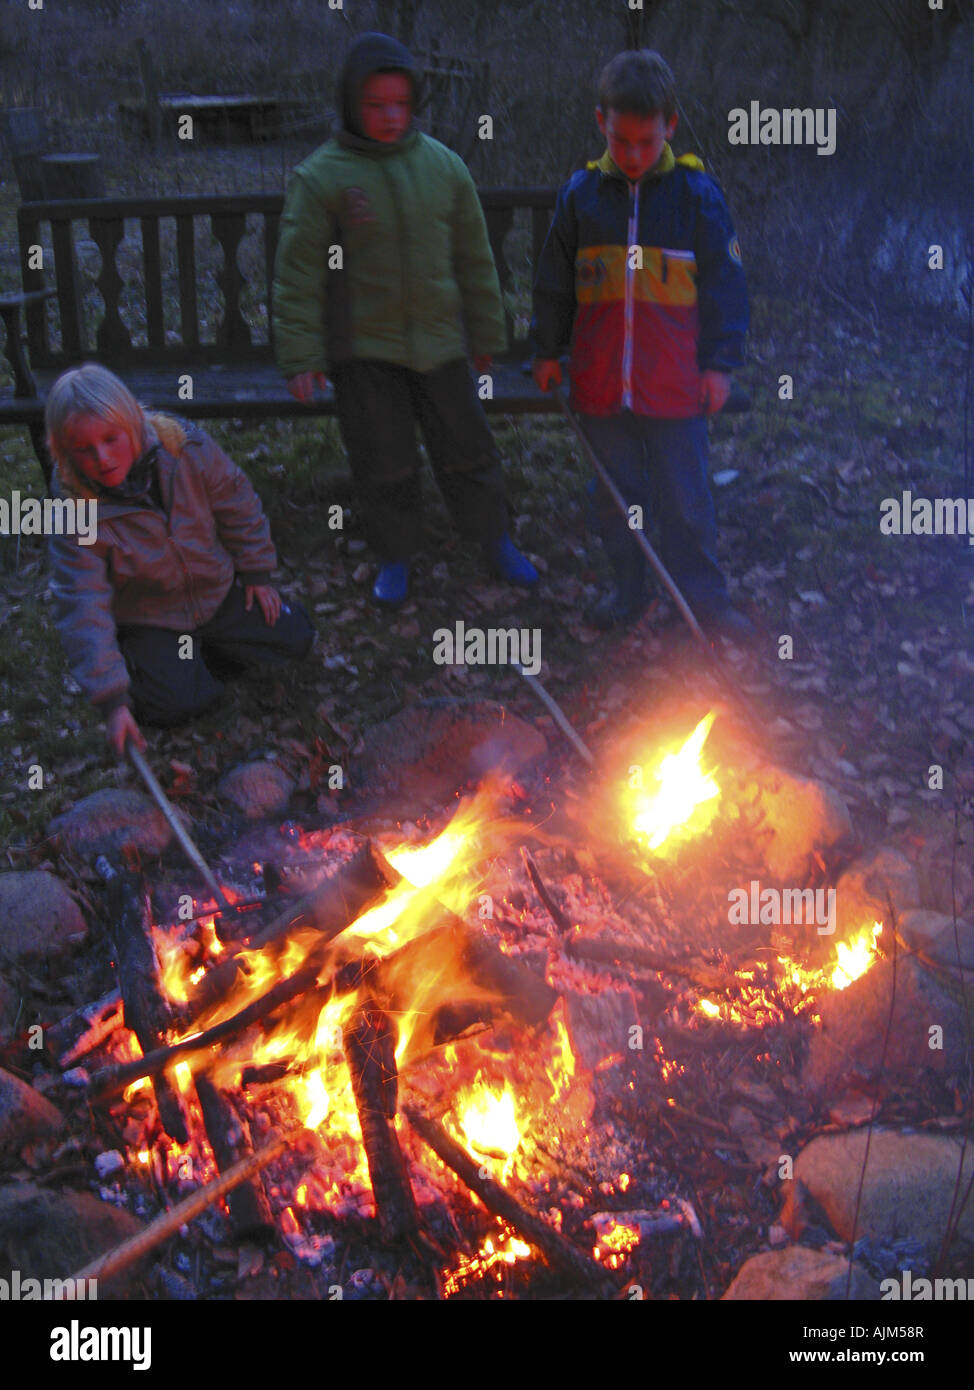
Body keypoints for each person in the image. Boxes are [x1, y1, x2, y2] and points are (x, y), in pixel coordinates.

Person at [272, 30, 538, 607]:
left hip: (442, 345)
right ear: (351, 104)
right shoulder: (322, 178)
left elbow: (475, 259)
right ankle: (394, 553)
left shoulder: (444, 168)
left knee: (467, 447)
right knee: (382, 457)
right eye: (376, 105)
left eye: (400, 104)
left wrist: (488, 333)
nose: (391, 116)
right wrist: (301, 355)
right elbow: (297, 275)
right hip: (365, 351)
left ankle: (493, 537)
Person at [532, 49, 753, 638]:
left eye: (646, 142)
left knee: (685, 499)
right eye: (622, 140)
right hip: (602, 389)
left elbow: (726, 288)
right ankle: (629, 590)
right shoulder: (581, 197)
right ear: (601, 122)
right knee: (615, 498)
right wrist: (547, 351)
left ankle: (702, 600)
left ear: (670, 128)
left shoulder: (697, 197)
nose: (632, 155)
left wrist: (720, 364)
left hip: (676, 388)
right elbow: (553, 282)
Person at [45, 364, 314, 755]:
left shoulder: (184, 447)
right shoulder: (75, 509)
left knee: (295, 639)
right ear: (65, 452)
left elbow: (236, 502)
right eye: (84, 450)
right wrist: (111, 699)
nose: (102, 457)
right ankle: (163, 663)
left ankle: (207, 650)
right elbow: (81, 602)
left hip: (215, 594)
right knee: (174, 704)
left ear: (134, 424)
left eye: (110, 438)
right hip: (152, 618)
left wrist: (256, 573)